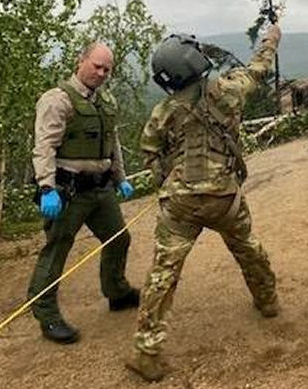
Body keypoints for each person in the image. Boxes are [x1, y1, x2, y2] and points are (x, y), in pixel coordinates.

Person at [127, 24, 282, 381]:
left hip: (179, 204)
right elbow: (259, 68)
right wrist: (271, 39)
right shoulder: (228, 91)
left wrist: (168, 178)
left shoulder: (163, 112)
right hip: (225, 198)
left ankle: (147, 351)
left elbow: (150, 150)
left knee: (164, 271)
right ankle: (268, 301)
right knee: (247, 247)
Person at [28, 42, 140, 344]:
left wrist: (120, 178)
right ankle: (46, 315)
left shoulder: (105, 102)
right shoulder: (58, 100)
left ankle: (116, 291)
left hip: (101, 188)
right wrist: (47, 188)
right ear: (81, 61)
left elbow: (111, 143)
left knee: (119, 238)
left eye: (107, 69)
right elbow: (44, 147)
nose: (101, 73)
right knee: (56, 249)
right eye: (97, 66)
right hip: (69, 191)